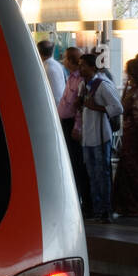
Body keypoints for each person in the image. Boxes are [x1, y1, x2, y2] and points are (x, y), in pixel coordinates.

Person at [77, 52, 123, 223]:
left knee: (101, 173)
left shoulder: (102, 85)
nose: (80, 68)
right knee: (91, 173)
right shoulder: (85, 85)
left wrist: (97, 107)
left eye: (83, 65)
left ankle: (105, 210)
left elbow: (117, 107)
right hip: (88, 136)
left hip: (100, 135)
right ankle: (97, 209)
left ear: (92, 67)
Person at [113, 56, 138, 220]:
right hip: (133, 138)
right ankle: (132, 206)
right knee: (130, 172)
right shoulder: (136, 89)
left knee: (134, 173)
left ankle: (137, 206)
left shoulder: (137, 92)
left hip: (136, 140)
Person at [57, 47, 90, 217]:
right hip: (67, 123)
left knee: (78, 164)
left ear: (70, 60)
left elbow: (79, 108)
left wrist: (77, 127)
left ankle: (85, 203)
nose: (63, 60)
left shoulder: (80, 80)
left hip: (73, 126)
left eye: (64, 58)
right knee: (73, 163)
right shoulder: (71, 77)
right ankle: (78, 199)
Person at [38, 40, 65, 106]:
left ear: (38, 51)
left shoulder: (47, 68)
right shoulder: (56, 65)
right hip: (58, 104)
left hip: (54, 105)